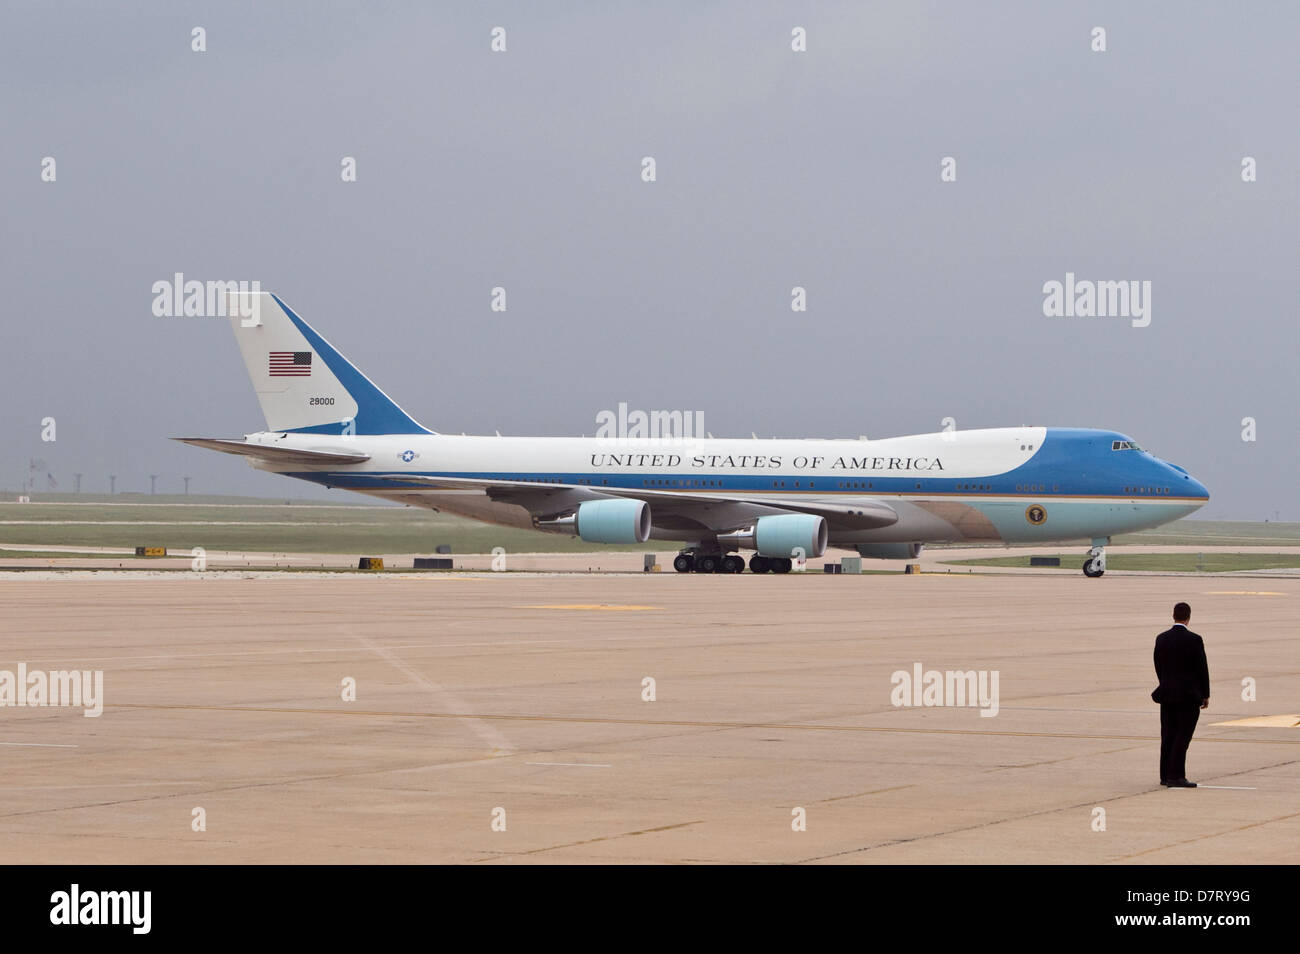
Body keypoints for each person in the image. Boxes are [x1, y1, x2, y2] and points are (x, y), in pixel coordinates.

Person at [1151, 602, 1210, 788]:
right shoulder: (1194, 640)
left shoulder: (1162, 638)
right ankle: (1176, 776)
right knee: (1182, 736)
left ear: (1173, 615)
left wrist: (1165, 683)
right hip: (1188, 696)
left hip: (1167, 694)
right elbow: (1202, 668)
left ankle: (1165, 775)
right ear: (1189, 618)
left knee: (1168, 734)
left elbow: (1158, 665)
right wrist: (1205, 694)